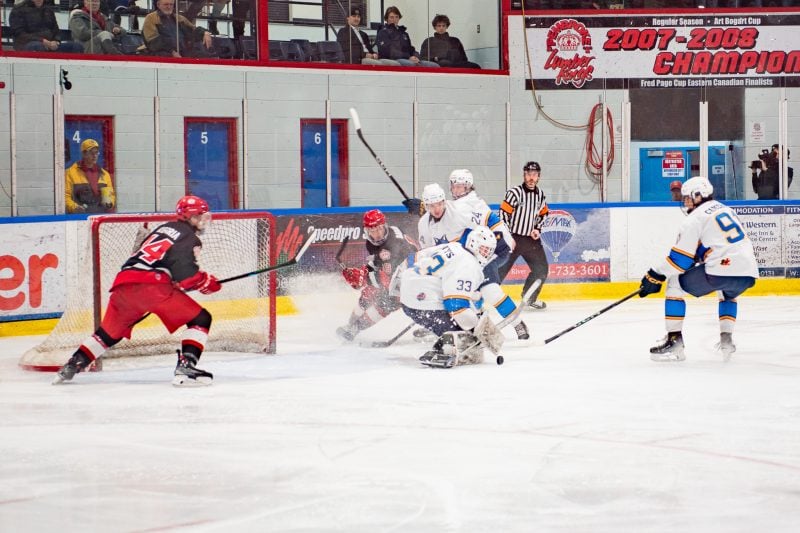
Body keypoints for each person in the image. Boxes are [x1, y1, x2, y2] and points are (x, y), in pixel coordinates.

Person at [53, 195, 222, 386]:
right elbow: (186, 273)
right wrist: (205, 282)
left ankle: (71, 365)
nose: (203, 220)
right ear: (189, 217)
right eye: (199, 216)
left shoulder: (162, 229)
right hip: (152, 287)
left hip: (124, 283)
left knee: (107, 334)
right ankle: (186, 368)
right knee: (200, 319)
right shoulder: (189, 237)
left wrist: (176, 281)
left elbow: (158, 261)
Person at [638, 176, 758, 362]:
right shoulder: (725, 209)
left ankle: (674, 341)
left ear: (699, 195)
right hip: (749, 273)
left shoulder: (695, 218)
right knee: (727, 293)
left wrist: (654, 274)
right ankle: (726, 339)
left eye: (687, 197)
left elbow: (680, 261)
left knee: (675, 284)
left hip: (720, 270)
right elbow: (720, 245)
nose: (685, 202)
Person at [448, 169, 529, 340]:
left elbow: (450, 213)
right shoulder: (458, 204)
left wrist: (423, 207)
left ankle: (517, 323)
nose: (456, 190)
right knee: (470, 291)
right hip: (476, 253)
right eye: (454, 186)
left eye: (461, 187)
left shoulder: (471, 204)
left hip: (493, 251)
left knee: (490, 290)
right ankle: (476, 319)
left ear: (468, 188)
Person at [400, 226, 497, 368]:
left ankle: (445, 339)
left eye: (488, 251)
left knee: (458, 318)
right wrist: (476, 328)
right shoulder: (470, 264)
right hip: (424, 303)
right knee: (466, 338)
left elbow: (414, 258)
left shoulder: (454, 246)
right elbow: (456, 306)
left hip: (407, 300)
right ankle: (448, 347)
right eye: (484, 249)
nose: (486, 254)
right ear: (473, 243)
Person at [336, 209, 416, 342]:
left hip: (411, 281)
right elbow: (378, 265)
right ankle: (350, 325)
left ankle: (355, 328)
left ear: (384, 225)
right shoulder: (372, 242)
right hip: (398, 275)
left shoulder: (395, 244)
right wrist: (362, 272)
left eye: (379, 229)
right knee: (369, 293)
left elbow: (388, 280)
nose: (377, 234)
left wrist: (363, 276)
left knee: (385, 301)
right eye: (372, 231)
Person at [498, 161, 550, 310]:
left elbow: (544, 213)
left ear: (538, 176)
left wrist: (537, 228)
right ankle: (480, 300)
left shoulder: (540, 195)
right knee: (500, 270)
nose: (531, 177)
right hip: (513, 239)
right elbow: (503, 214)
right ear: (524, 175)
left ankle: (530, 298)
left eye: (534, 174)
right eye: (528, 174)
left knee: (542, 269)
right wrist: (507, 236)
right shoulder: (514, 193)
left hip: (530, 240)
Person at [142, 0, 214, 58]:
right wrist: (172, 52)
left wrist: (204, 32)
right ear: (158, 5)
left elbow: (193, 30)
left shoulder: (179, 18)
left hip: (183, 52)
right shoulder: (151, 18)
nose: (169, 7)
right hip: (162, 54)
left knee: (205, 55)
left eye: (171, 4)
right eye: (166, 4)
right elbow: (153, 41)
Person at [9, 0, 84, 53]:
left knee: (76, 47)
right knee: (37, 46)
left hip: (50, 45)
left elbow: (56, 30)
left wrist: (56, 41)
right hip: (27, 45)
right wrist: (43, 41)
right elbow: (19, 34)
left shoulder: (48, 10)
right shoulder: (18, 11)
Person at [65, 138, 117, 214]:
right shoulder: (70, 173)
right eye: (91, 153)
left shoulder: (104, 174)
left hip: (99, 217)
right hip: (79, 218)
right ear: (84, 154)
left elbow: (110, 196)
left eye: (96, 152)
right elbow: (65, 196)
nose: (94, 155)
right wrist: (74, 207)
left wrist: (110, 203)